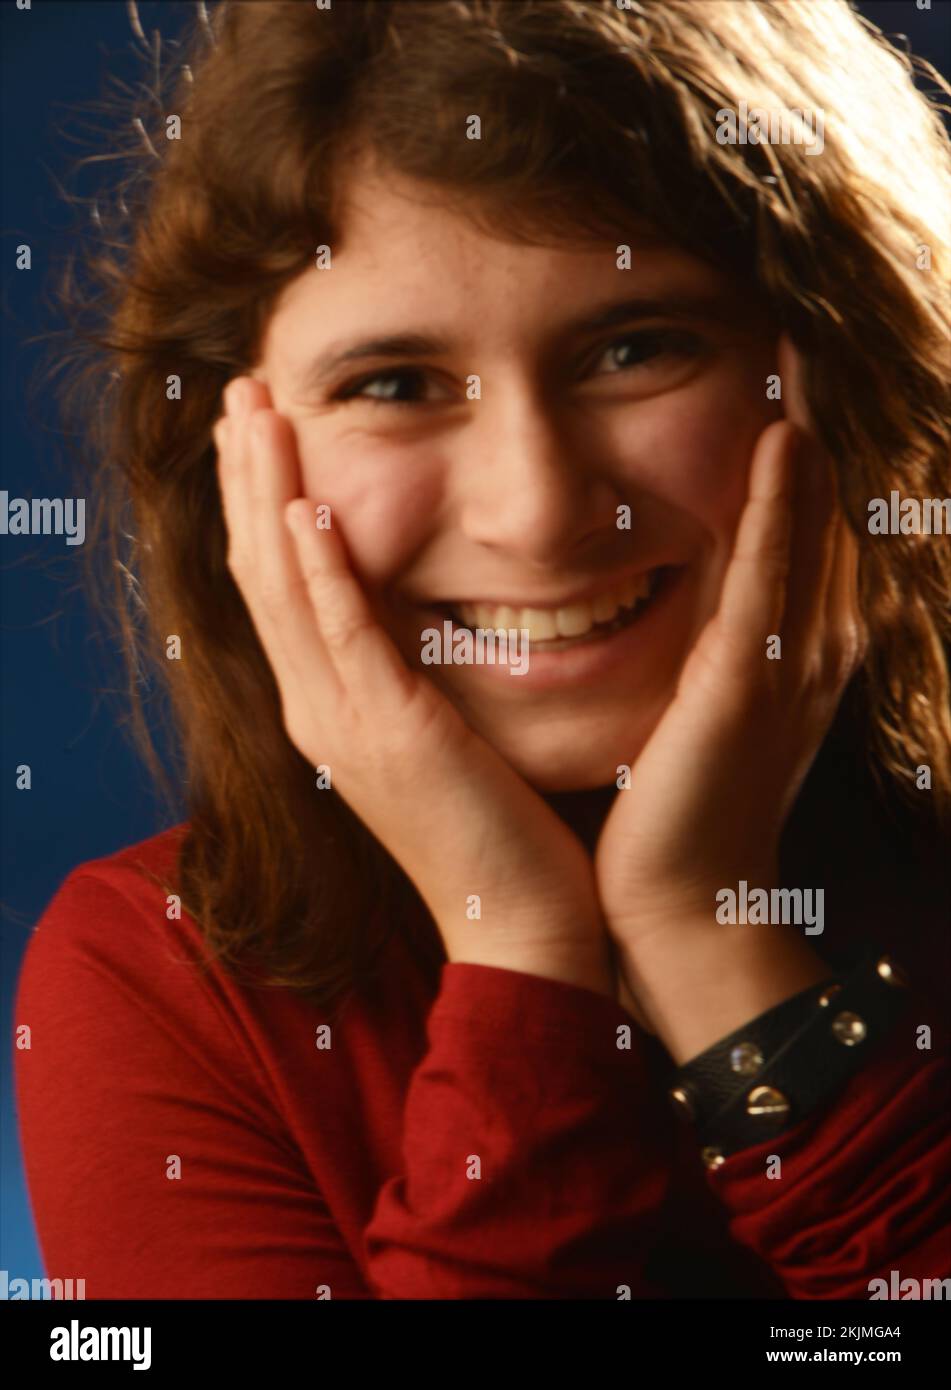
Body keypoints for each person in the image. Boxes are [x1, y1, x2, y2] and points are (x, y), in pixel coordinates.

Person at [14, 0, 950, 1299]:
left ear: (840, 378)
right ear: (239, 470)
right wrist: (518, 945)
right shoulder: (155, 978)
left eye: (637, 349)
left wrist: (706, 928)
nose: (539, 510)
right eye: (393, 383)